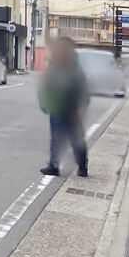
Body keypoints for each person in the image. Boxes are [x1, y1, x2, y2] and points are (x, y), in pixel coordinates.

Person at [38, 35, 89, 177]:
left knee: (76, 138)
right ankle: (54, 165)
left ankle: (82, 165)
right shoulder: (54, 67)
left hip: (71, 108)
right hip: (57, 107)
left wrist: (81, 106)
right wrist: (46, 103)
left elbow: (83, 89)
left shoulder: (75, 69)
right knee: (56, 136)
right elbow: (46, 86)